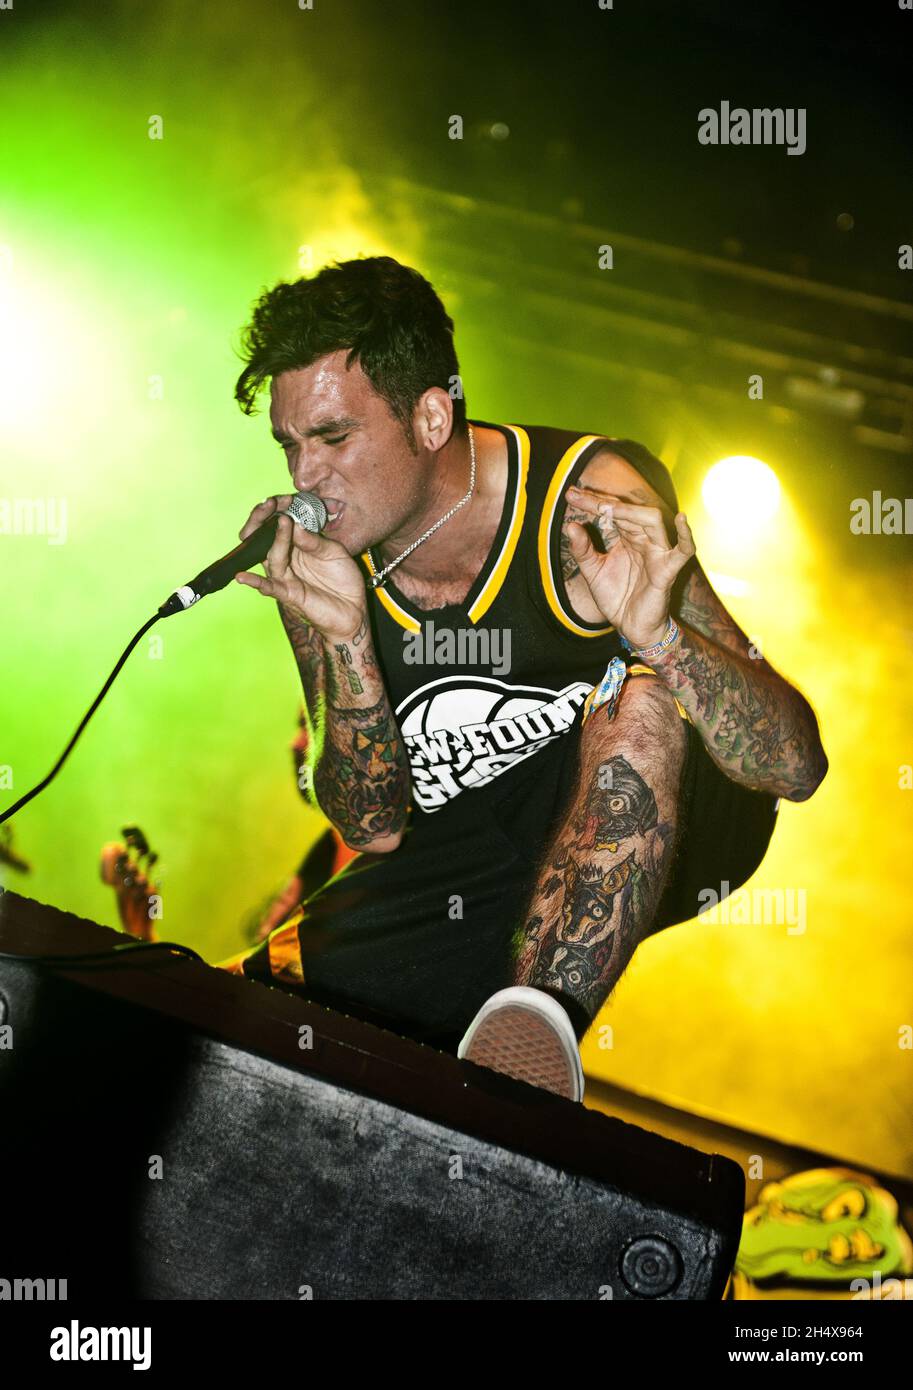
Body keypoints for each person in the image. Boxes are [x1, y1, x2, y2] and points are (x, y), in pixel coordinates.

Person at [217, 255, 827, 1102]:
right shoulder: (322, 563)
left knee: (640, 697)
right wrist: (347, 640)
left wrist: (659, 637)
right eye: (289, 444)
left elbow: (793, 766)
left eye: (332, 438)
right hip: (465, 875)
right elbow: (372, 826)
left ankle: (532, 1034)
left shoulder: (586, 503)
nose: (304, 477)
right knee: (236, 1013)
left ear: (431, 416)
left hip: (665, 810)